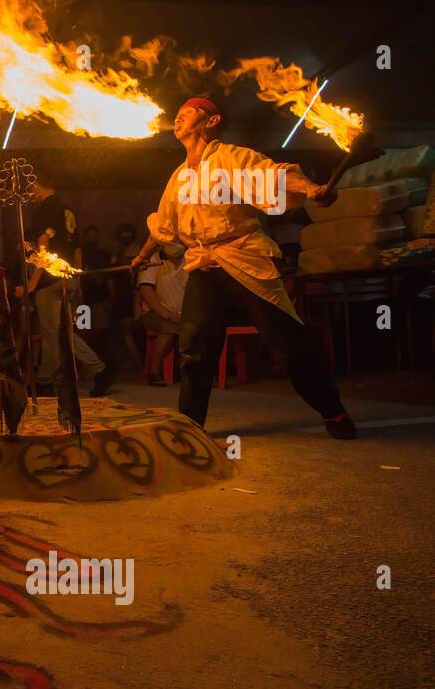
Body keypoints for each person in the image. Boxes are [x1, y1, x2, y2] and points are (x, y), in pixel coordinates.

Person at [130, 95, 354, 437]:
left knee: (287, 343)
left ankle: (332, 410)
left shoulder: (233, 158)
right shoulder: (178, 177)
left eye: (187, 112)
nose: (177, 119)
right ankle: (191, 426)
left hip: (244, 258)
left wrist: (310, 189)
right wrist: (143, 255)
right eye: (176, 114)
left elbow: (275, 176)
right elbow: (164, 224)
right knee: (194, 349)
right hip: (203, 265)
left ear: (211, 121)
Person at [24, 182, 114, 396]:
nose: (30, 194)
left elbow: (43, 250)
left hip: (49, 279)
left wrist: (32, 284)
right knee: (62, 332)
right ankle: (99, 369)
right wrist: (76, 280)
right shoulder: (67, 209)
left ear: (37, 185)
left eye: (30, 188)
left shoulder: (44, 210)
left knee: (50, 334)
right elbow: (77, 249)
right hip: (68, 277)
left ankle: (46, 380)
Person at [135, 242, 188, 386]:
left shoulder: (191, 260)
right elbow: (146, 291)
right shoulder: (153, 261)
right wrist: (168, 314)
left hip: (184, 314)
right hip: (154, 313)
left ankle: (191, 372)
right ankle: (154, 372)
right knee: (169, 327)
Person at [110, 222, 143, 369]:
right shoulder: (117, 257)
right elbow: (111, 280)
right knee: (127, 332)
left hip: (142, 295)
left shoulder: (142, 254)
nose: (125, 237)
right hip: (124, 297)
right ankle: (140, 364)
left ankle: (141, 365)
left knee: (136, 332)